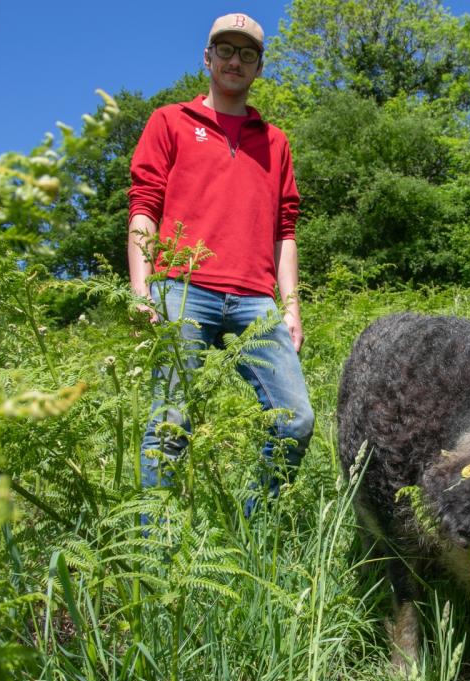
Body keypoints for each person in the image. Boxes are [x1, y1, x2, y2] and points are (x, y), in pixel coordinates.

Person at [127, 12, 313, 516]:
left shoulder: (275, 142)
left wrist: (291, 307)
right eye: (226, 50)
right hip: (182, 289)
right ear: (207, 58)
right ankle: (156, 548)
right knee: (169, 425)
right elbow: (144, 207)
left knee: (295, 420)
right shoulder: (169, 121)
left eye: (247, 53)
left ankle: (250, 528)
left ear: (259, 67)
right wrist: (141, 291)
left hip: (256, 298)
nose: (236, 61)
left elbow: (285, 231)